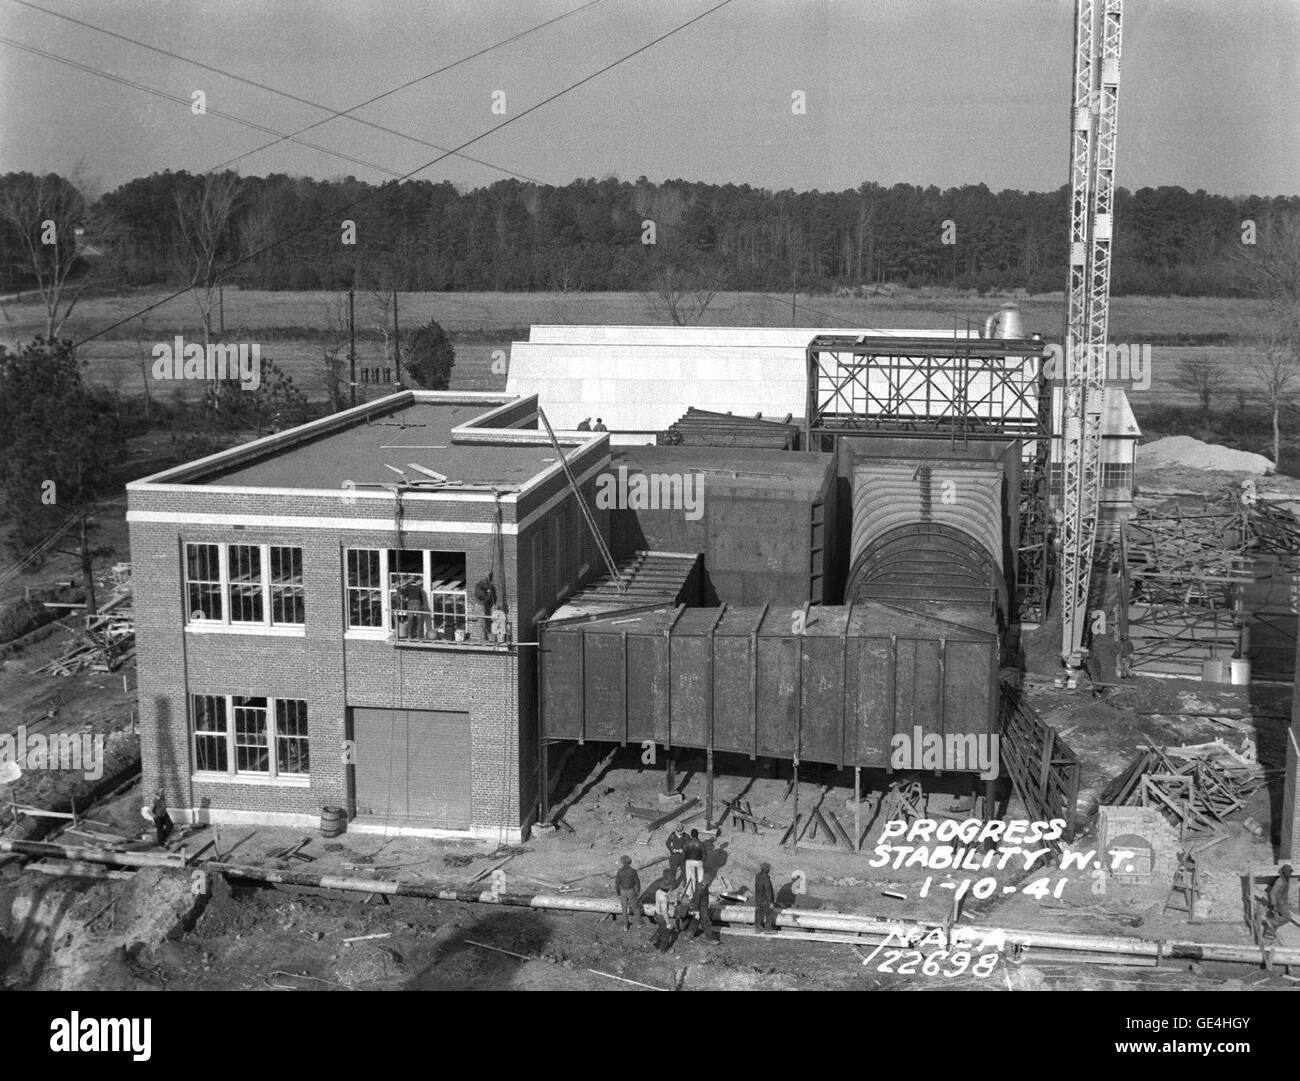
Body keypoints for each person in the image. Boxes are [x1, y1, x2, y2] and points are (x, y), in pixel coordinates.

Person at [1265, 864, 1295, 939]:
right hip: (1279, 903)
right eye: (1289, 873)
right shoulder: (1280, 881)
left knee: (1277, 918)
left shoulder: (1285, 879)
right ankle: (1271, 922)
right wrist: (1274, 904)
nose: (1290, 874)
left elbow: (1284, 893)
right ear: (1284, 873)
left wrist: (1288, 902)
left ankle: (1269, 935)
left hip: (1283, 902)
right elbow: (1272, 893)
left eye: (1290, 873)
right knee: (1287, 918)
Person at [614, 855, 642, 931]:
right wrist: (638, 891)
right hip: (631, 890)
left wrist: (617, 892)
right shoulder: (633, 871)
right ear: (630, 862)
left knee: (624, 908)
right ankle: (639, 923)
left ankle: (625, 926)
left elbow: (617, 883)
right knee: (635, 907)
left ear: (621, 862)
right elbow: (637, 882)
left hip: (623, 891)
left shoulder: (620, 871)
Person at [651, 874, 677, 952]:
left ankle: (652, 939)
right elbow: (665, 912)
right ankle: (663, 949)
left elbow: (661, 902)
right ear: (668, 888)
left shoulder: (658, 891)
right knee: (666, 935)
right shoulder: (664, 898)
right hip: (662, 916)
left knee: (661, 928)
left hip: (656, 913)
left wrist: (670, 903)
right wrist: (668, 923)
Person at [754, 862, 777, 934]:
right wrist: (771, 902)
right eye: (769, 868)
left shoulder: (757, 876)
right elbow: (768, 891)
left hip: (758, 899)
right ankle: (768, 929)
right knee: (769, 913)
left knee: (758, 913)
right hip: (765, 900)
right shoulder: (766, 878)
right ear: (767, 869)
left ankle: (758, 928)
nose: (769, 870)